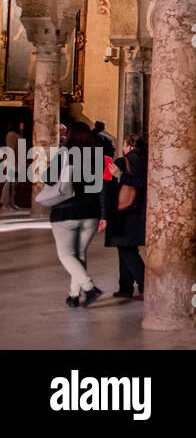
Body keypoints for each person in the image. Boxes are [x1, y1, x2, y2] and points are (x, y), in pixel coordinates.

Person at [49, 122, 105, 308]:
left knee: (66, 255)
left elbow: (48, 179)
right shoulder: (96, 156)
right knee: (79, 254)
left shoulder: (63, 154)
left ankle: (90, 289)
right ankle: (73, 295)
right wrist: (104, 215)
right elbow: (101, 188)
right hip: (90, 212)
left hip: (65, 212)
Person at [105, 133, 147, 300]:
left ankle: (145, 285)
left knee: (126, 249)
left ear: (129, 146)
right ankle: (125, 287)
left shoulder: (122, 162)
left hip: (123, 212)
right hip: (140, 210)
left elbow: (110, 188)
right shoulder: (149, 161)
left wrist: (120, 176)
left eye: (123, 144)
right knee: (126, 247)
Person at [1, 119, 21, 209]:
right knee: (9, 183)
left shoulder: (18, 135)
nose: (22, 125)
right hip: (12, 162)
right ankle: (5, 203)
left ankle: (11, 203)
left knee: (14, 184)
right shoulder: (11, 134)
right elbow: (10, 149)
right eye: (21, 123)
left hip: (18, 162)